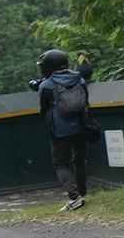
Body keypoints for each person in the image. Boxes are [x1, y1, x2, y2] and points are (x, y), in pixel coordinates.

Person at [32, 49, 95, 211]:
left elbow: (43, 109)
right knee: (80, 160)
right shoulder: (79, 79)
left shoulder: (46, 85)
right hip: (81, 126)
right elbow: (86, 101)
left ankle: (75, 197)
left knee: (61, 163)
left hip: (59, 130)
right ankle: (82, 193)